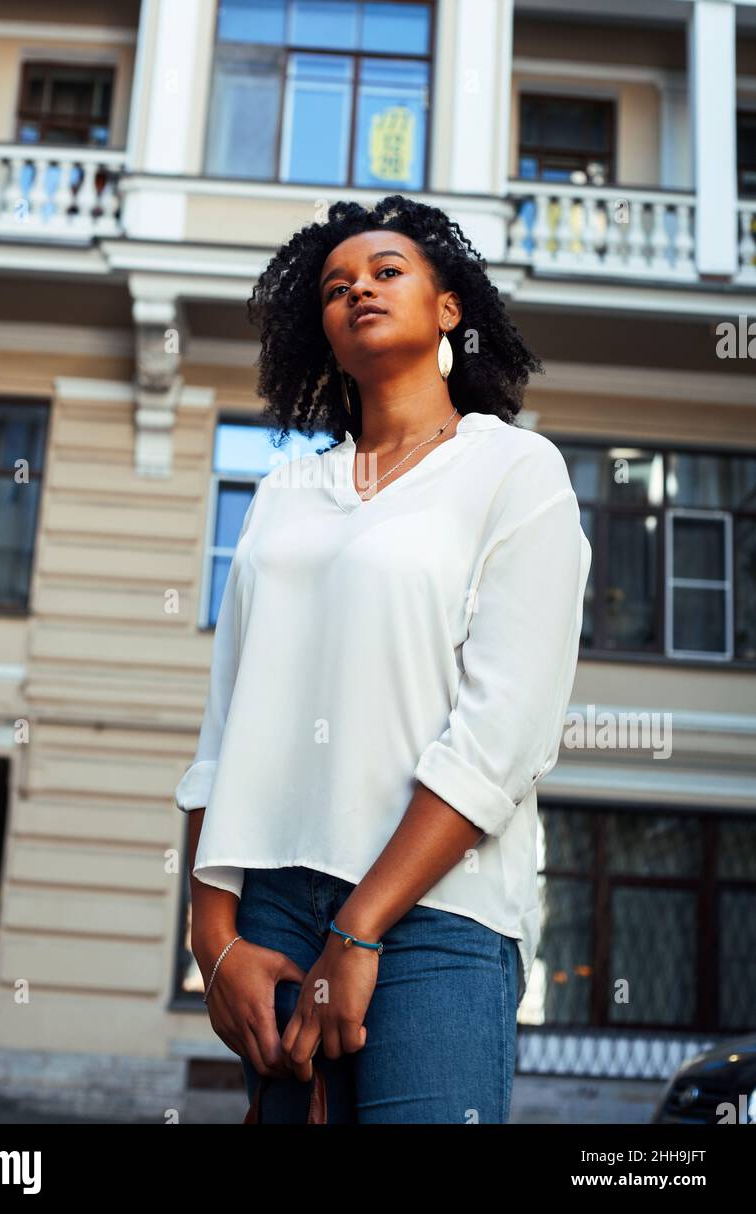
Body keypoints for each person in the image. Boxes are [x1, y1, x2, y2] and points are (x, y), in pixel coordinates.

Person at [175, 193, 592, 1124]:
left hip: (438, 912)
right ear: (321, 331)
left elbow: (505, 733)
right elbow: (223, 729)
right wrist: (215, 941)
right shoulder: (286, 491)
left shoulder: (515, 472)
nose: (359, 288)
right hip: (272, 912)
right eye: (335, 286)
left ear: (450, 309)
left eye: (387, 271)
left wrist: (359, 929)